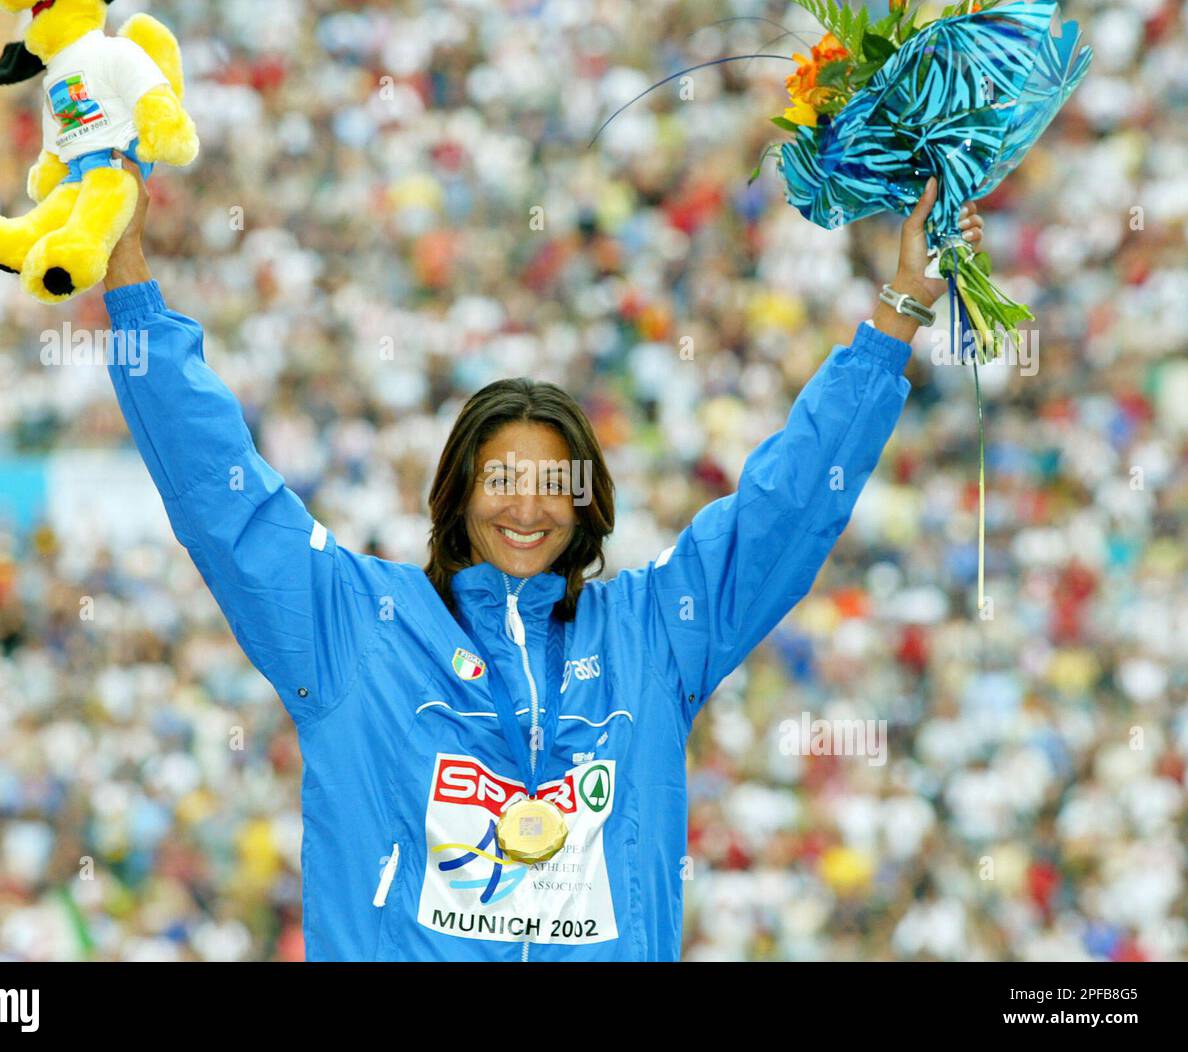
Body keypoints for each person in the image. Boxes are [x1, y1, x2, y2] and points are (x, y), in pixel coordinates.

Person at [101, 154, 984, 961]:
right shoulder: (351, 625)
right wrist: (131, 288)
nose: (527, 507)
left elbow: (785, 510)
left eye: (552, 481)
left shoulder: (656, 633)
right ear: (456, 492)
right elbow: (223, 497)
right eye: (500, 481)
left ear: (587, 498)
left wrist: (900, 305)